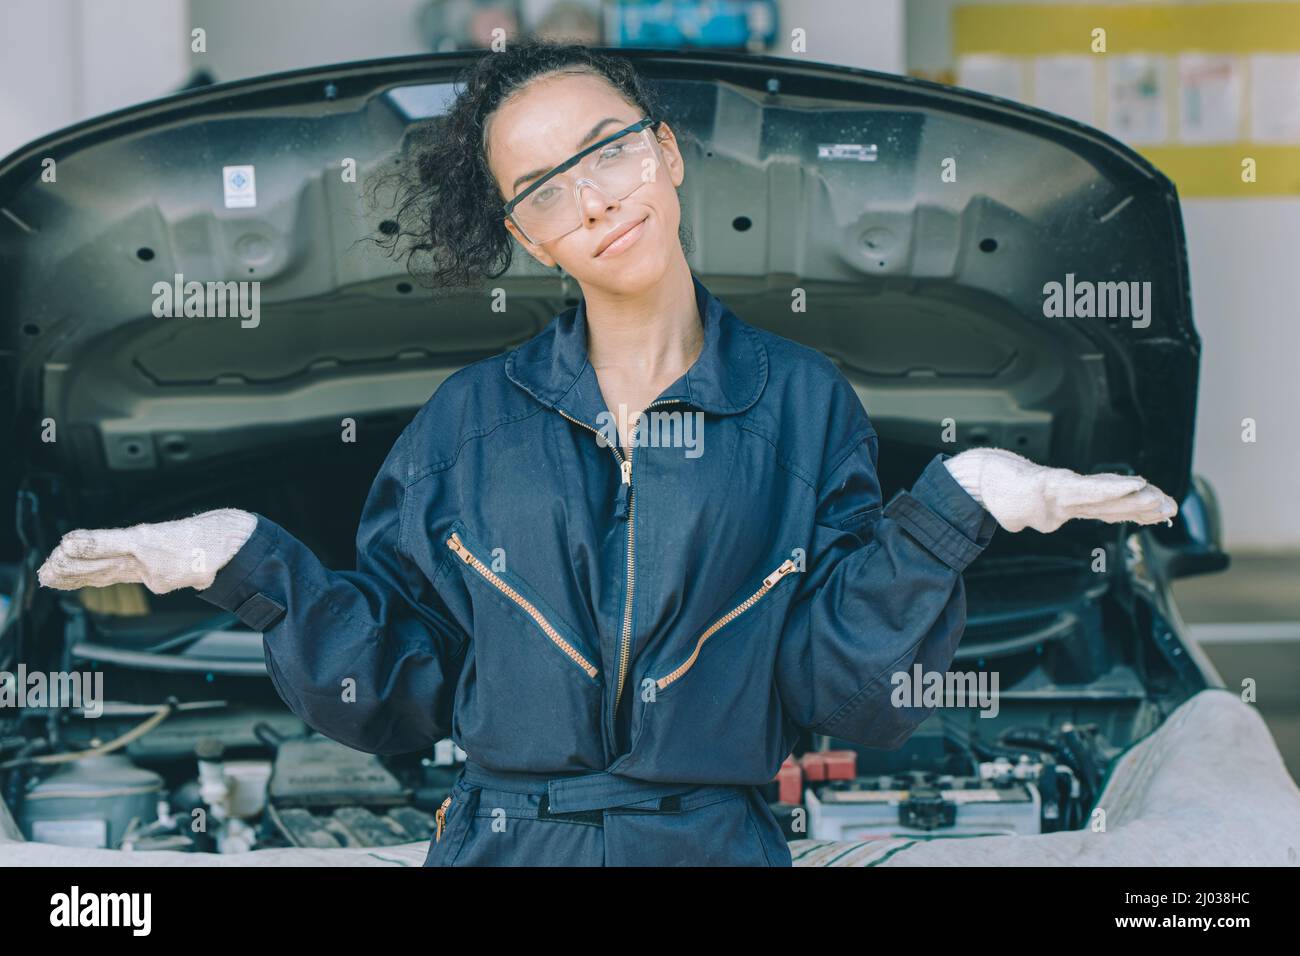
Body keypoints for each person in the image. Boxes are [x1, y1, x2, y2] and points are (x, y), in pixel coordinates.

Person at [36, 37, 1177, 867]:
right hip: (501, 848)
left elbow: (839, 686)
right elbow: (395, 688)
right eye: (542, 186)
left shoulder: (800, 402)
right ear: (523, 232)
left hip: (720, 846)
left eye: (608, 151)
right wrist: (252, 563)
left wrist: (953, 509)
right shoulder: (466, 422)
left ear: (666, 153)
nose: (592, 200)